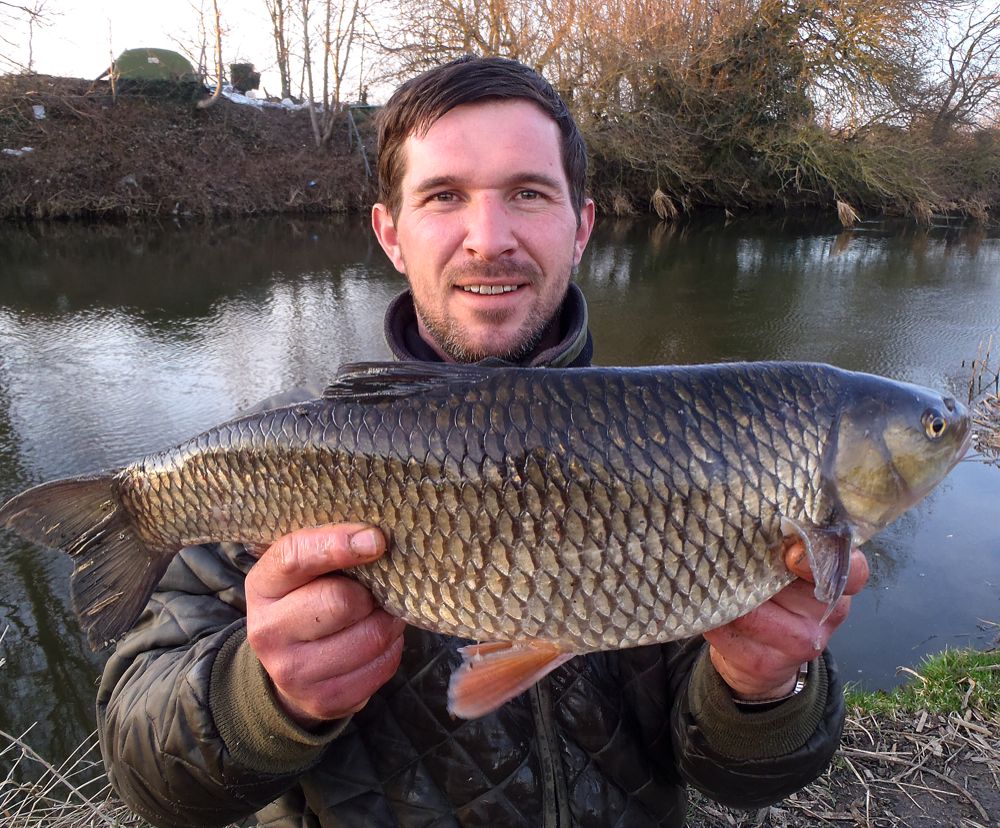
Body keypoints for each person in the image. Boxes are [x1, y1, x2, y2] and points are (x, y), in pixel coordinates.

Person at [97, 56, 869, 827]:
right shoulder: (278, 459)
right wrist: (263, 702)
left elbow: (746, 781)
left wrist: (763, 690)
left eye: (528, 193)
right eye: (444, 196)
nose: (489, 239)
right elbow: (148, 780)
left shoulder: (688, 442)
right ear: (391, 235)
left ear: (581, 227)